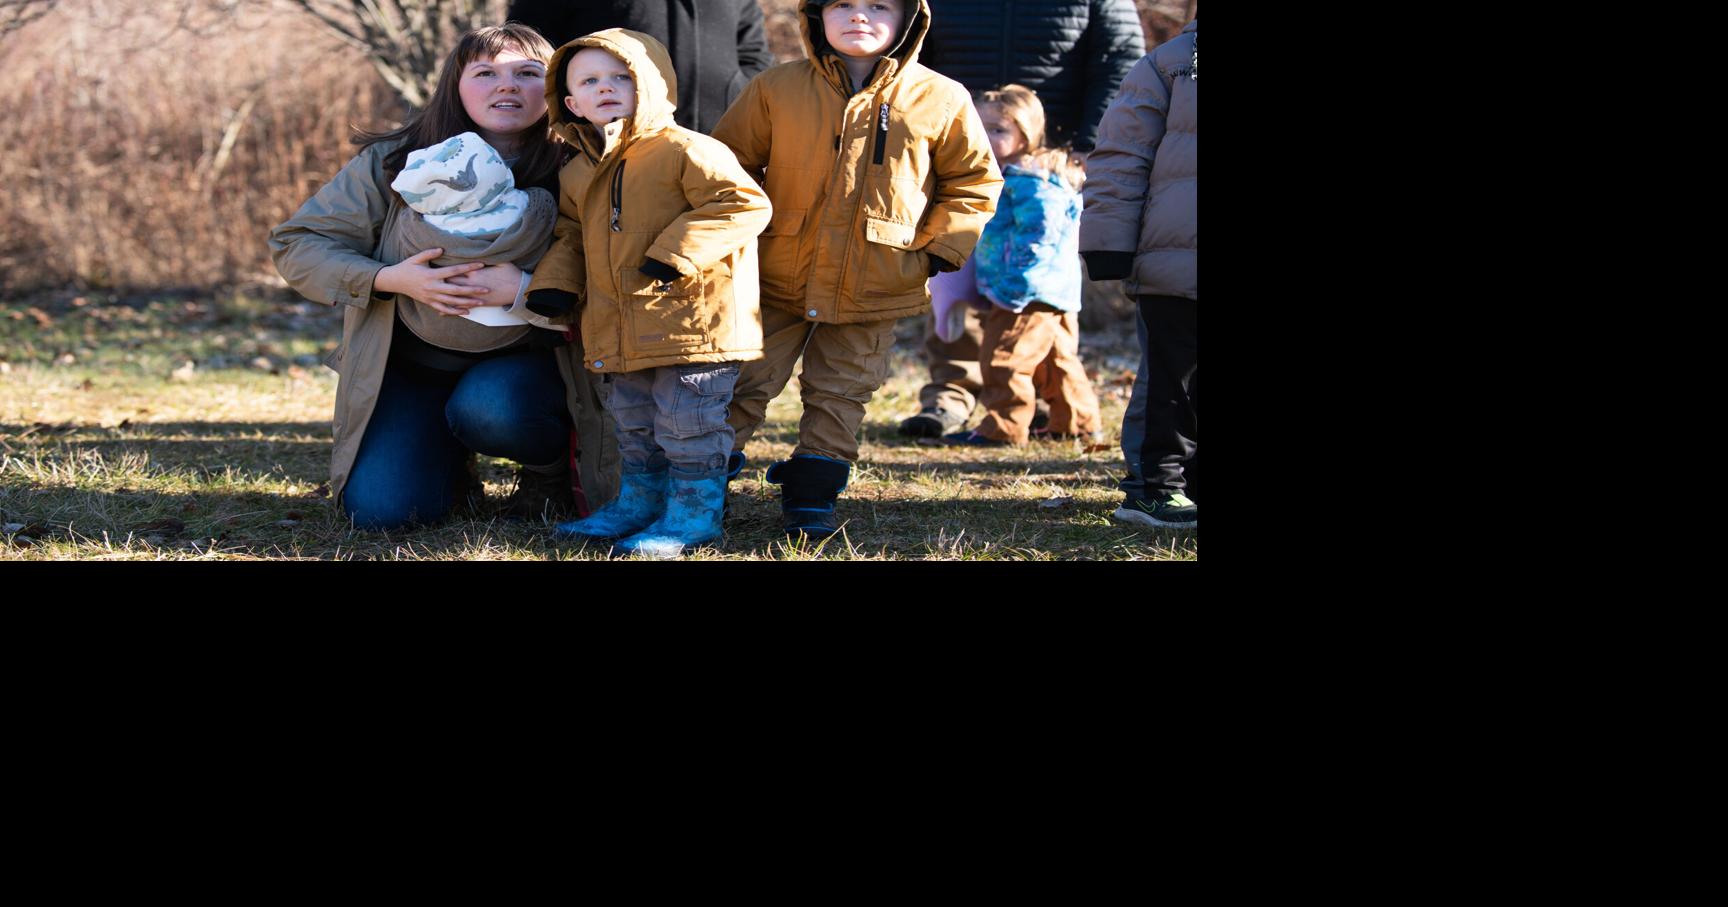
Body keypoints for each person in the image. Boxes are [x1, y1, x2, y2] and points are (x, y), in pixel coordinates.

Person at [269, 24, 621, 530]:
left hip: (531, 370)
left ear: (553, 90)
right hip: (415, 365)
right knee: (382, 513)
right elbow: (297, 243)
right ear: (454, 85)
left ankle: (547, 473)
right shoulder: (395, 162)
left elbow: (621, 279)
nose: (507, 86)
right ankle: (447, 463)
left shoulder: (587, 167)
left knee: (490, 406)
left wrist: (524, 292)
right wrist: (391, 278)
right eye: (485, 73)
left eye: (527, 73)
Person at [710, 0, 1001, 542]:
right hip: (775, 273)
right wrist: (738, 237)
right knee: (741, 382)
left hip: (879, 276)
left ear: (910, 17)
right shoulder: (777, 87)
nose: (858, 16)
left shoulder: (941, 96)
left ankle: (812, 492)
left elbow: (975, 182)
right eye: (842, 4)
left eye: (877, 5)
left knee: (842, 392)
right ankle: (702, 487)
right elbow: (728, 165)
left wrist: (937, 249)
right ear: (817, 15)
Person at [524, 29, 771, 558]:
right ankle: (639, 503)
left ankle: (693, 515)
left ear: (653, 86)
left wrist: (675, 253)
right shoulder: (577, 172)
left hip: (693, 324)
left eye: (621, 77)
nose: (606, 87)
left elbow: (743, 204)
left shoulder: (687, 149)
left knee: (688, 424)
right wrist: (553, 286)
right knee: (634, 424)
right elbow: (570, 235)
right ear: (570, 103)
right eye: (590, 81)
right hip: (619, 328)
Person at [894, 0, 1145, 471]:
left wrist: (1091, 140)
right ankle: (952, 396)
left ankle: (1022, 416)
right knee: (956, 274)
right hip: (953, 141)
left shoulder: (1041, 184)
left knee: (1032, 323)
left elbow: (1119, 54)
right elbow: (910, 45)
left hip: (1048, 140)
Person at [1079, 18, 1195, 528]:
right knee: (1173, 383)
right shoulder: (1172, 63)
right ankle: (1154, 488)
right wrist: (1109, 243)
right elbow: (1122, 154)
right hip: (1174, 260)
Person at [942, 84, 1100, 447]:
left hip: (1024, 289)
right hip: (1053, 289)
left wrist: (1015, 285)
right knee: (1056, 360)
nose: (986, 136)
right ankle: (1075, 423)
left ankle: (1004, 427)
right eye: (980, 127)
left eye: (999, 129)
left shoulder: (1028, 180)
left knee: (1003, 357)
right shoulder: (1027, 175)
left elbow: (1040, 232)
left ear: (1026, 134)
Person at [504, 0, 774, 135]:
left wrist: (736, 110)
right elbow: (530, 53)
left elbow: (754, 57)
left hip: (718, 143)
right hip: (606, 152)